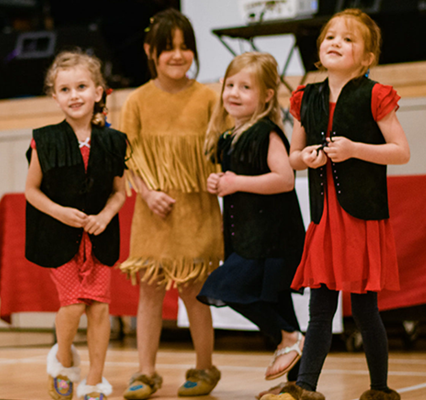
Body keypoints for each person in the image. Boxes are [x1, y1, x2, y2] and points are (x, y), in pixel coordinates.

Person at [261, 9, 410, 400]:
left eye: (347, 39)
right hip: (325, 219)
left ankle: (380, 389)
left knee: (365, 310)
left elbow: (401, 151)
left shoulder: (376, 95)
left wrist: (356, 149)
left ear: (366, 58)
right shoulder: (304, 97)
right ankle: (305, 387)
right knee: (320, 309)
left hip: (362, 218)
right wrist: (307, 157)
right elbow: (293, 157)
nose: (335, 43)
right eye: (330, 36)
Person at [117, 9, 223, 399]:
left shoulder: (209, 98)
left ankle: (204, 367)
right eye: (168, 48)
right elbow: (127, 157)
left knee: (196, 291)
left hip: (197, 211)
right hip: (153, 212)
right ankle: (146, 372)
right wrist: (146, 193)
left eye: (185, 47)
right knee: (149, 291)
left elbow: (222, 151)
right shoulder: (137, 101)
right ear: (150, 51)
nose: (178, 55)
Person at [194, 52, 307, 398]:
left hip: (271, 239)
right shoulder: (229, 137)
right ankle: (297, 385)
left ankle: (289, 335)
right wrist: (221, 184)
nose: (234, 93)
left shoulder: (266, 133)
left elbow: (285, 179)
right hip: (245, 236)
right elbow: (232, 179)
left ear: (267, 95)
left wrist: (236, 183)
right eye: (230, 85)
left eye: (246, 87)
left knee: (225, 287)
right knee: (275, 302)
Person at [26, 50, 127, 400]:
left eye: (82, 86)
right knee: (72, 304)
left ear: (99, 91)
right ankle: (64, 359)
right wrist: (60, 212)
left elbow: (119, 193)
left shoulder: (114, 141)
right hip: (60, 238)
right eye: (65, 89)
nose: (74, 95)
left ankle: (95, 381)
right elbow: (31, 191)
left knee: (99, 307)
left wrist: (104, 216)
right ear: (55, 96)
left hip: (99, 238)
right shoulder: (45, 138)